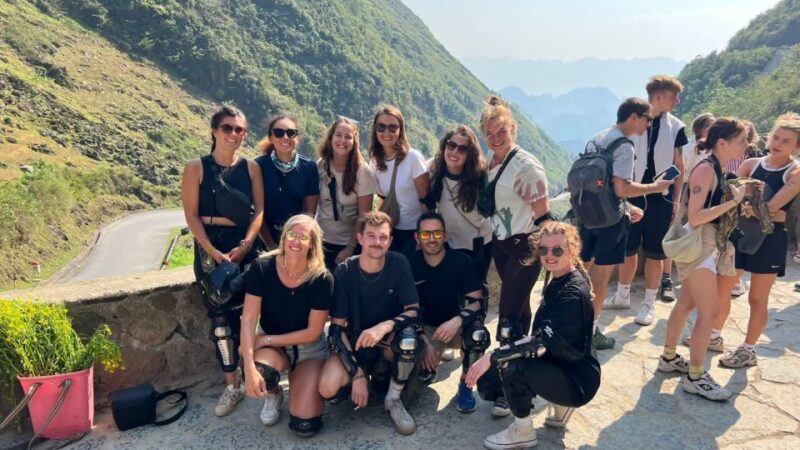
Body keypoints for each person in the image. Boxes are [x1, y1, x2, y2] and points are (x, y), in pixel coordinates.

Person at [466, 221, 600, 450]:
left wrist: (493, 356)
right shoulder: (560, 278)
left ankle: (523, 432)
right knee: (493, 377)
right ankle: (560, 405)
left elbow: (539, 343)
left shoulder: (572, 292)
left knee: (510, 364)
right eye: (544, 249)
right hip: (570, 364)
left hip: (578, 382)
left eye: (557, 250)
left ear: (572, 250)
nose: (549, 255)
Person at [180, 105, 264, 417]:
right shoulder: (196, 168)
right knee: (220, 320)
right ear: (214, 130)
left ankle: (259, 375)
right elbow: (191, 213)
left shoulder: (251, 168)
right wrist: (210, 250)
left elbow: (259, 211)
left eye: (239, 129)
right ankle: (232, 385)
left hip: (244, 246)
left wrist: (246, 244)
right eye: (227, 127)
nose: (233, 134)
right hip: (209, 248)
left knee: (253, 314)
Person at [656, 118, 747, 401]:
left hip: (705, 245)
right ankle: (695, 376)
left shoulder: (716, 167)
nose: (746, 145)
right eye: (741, 140)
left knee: (687, 303)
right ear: (723, 142)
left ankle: (669, 357)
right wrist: (734, 202)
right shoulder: (707, 169)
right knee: (710, 311)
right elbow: (695, 217)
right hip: (699, 246)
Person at [580, 98, 674, 349]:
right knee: (601, 277)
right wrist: (655, 187)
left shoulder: (598, 137)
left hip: (587, 214)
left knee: (579, 269)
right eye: (647, 119)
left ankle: (567, 320)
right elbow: (621, 188)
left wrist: (628, 207)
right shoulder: (624, 145)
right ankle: (591, 331)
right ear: (633, 116)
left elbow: (599, 184)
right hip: (609, 222)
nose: (648, 124)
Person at [479, 95, 553, 416]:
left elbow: (543, 216)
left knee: (508, 317)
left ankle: (508, 391)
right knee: (520, 311)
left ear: (514, 130)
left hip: (525, 246)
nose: (496, 139)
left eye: (502, 132)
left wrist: (552, 254)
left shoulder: (526, 167)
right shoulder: (492, 159)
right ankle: (525, 374)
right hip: (502, 245)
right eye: (490, 134)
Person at [318, 211, 423, 435]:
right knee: (327, 388)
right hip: (357, 342)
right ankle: (362, 379)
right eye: (371, 236)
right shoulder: (345, 270)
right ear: (360, 238)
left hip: (389, 341)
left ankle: (393, 399)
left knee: (408, 340)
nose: (377, 242)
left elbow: (414, 312)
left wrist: (384, 326)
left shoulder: (398, 263)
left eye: (383, 237)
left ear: (390, 241)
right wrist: (355, 372)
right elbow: (336, 328)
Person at [715, 113, 800, 369]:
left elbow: (770, 209)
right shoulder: (751, 164)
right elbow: (729, 194)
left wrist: (749, 202)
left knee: (757, 298)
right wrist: (751, 204)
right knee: (721, 289)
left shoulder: (795, 172)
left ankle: (748, 350)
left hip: (770, 239)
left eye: (786, 141)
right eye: (776, 137)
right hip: (740, 234)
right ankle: (713, 335)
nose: (778, 143)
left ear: (796, 147)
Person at [240, 215, 333, 437]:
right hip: (273, 349)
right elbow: (249, 318)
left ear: (312, 244)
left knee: (305, 427)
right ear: (284, 237)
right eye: (291, 234)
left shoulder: (322, 278)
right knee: (260, 371)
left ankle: (300, 378)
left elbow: (313, 333)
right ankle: (274, 392)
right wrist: (249, 366)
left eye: (304, 237)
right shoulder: (262, 267)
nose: (296, 241)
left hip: (308, 350)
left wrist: (266, 339)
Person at [605, 76, 688, 324]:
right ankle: (622, 294)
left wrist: (676, 200)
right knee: (628, 248)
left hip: (660, 198)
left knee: (655, 252)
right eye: (673, 96)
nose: (677, 101)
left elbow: (679, 165)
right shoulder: (635, 120)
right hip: (632, 193)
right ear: (659, 97)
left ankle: (649, 303)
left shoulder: (676, 127)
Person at [408, 212, 486, 413]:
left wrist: (456, 321)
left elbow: (476, 303)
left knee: (478, 336)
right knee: (418, 373)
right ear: (417, 237)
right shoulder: (408, 263)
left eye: (437, 233)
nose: (431, 239)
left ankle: (466, 387)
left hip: (455, 327)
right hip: (425, 329)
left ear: (445, 235)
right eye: (425, 234)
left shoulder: (461, 261)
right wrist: (424, 340)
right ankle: (428, 366)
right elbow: (404, 308)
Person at [427, 125, 493, 287]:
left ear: (470, 154)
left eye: (462, 149)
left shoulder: (480, 175)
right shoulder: (434, 169)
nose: (455, 152)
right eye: (451, 145)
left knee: (476, 290)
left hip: (477, 244)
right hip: (448, 243)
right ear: (445, 146)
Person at [315, 117, 377, 269]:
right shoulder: (321, 165)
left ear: (354, 141)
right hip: (320, 241)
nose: (343, 140)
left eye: (348, 137)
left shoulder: (362, 171)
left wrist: (350, 247)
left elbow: (364, 215)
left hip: (348, 243)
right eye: (338, 135)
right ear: (331, 138)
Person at [368, 105, 430, 258]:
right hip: (389, 229)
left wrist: (424, 235)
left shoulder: (413, 159)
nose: (386, 133)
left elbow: (426, 200)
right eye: (381, 127)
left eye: (392, 127)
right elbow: (380, 197)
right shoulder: (375, 160)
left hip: (413, 231)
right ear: (375, 130)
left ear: (400, 130)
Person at [256, 114, 320, 249]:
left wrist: (295, 241)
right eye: (279, 133)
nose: (285, 137)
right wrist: (270, 244)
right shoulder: (258, 166)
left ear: (297, 138)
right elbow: (255, 210)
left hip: (295, 242)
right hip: (263, 241)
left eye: (291, 133)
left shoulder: (309, 167)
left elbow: (309, 213)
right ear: (271, 138)